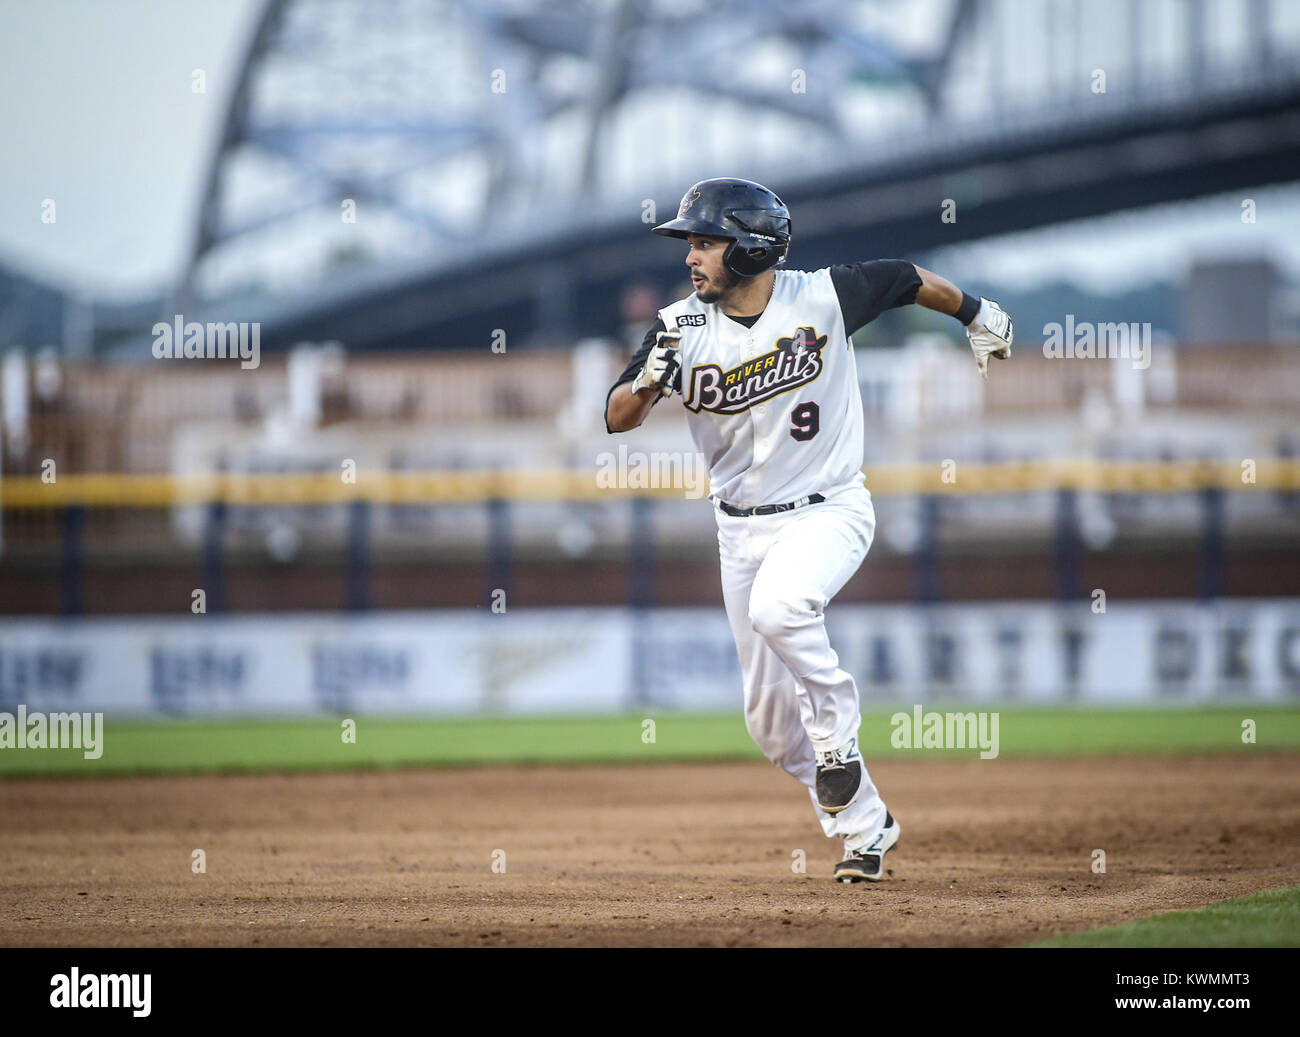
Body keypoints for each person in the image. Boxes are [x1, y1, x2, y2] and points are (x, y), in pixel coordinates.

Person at [604, 178, 1012, 882]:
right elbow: (615, 417)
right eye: (691, 243)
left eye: (704, 242)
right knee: (767, 726)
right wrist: (645, 385)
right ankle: (866, 824)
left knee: (780, 607)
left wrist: (976, 313)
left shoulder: (823, 296)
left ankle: (838, 745)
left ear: (752, 247)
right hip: (738, 531)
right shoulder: (679, 327)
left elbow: (905, 279)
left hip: (829, 509)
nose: (691, 256)